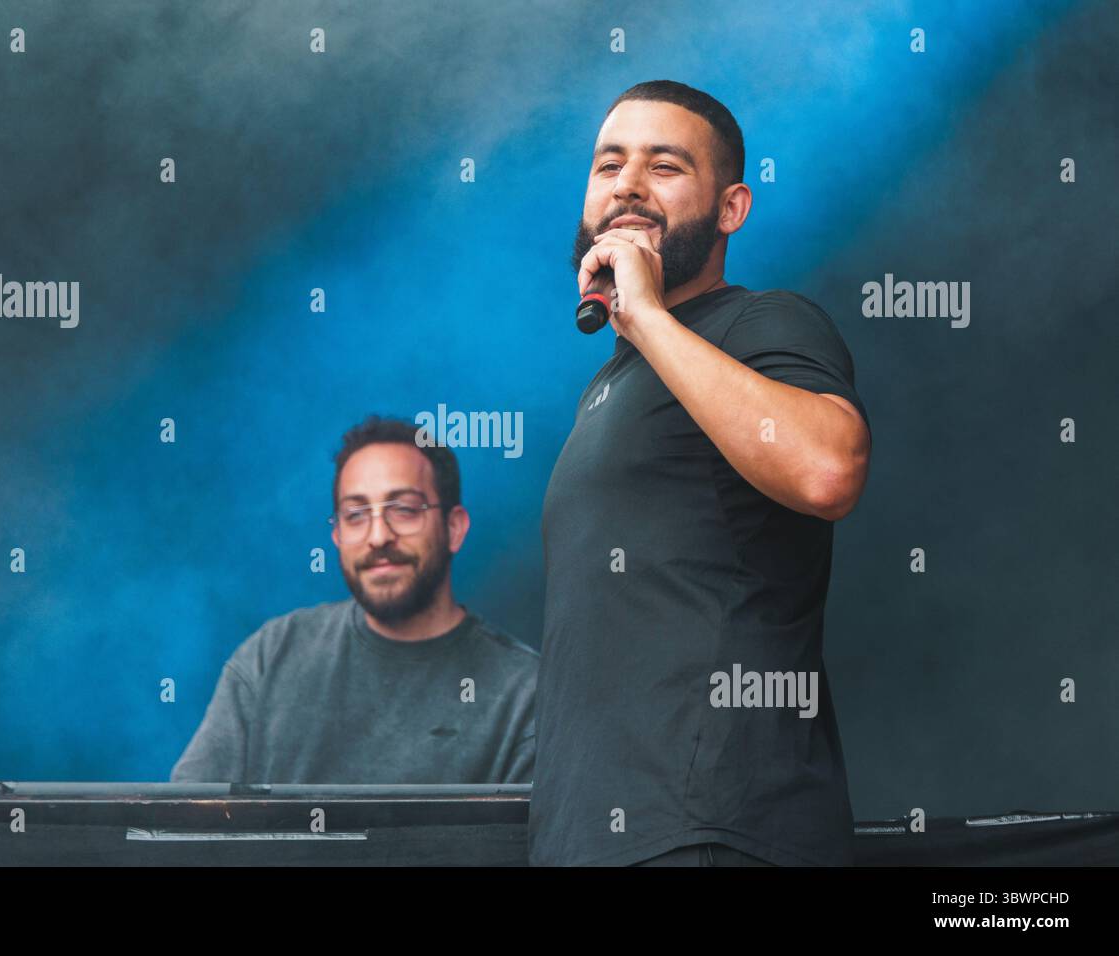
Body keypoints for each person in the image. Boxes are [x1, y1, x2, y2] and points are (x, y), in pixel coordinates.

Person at [529, 81, 872, 867]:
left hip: (710, 830)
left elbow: (827, 470)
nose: (627, 183)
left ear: (731, 209)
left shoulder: (762, 321)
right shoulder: (609, 387)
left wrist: (645, 313)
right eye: (609, 163)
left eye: (666, 165)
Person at [171, 416, 538, 784]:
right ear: (337, 535)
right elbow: (185, 826)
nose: (378, 536)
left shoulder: (524, 694)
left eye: (405, 509)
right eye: (356, 514)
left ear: (453, 528)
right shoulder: (271, 655)